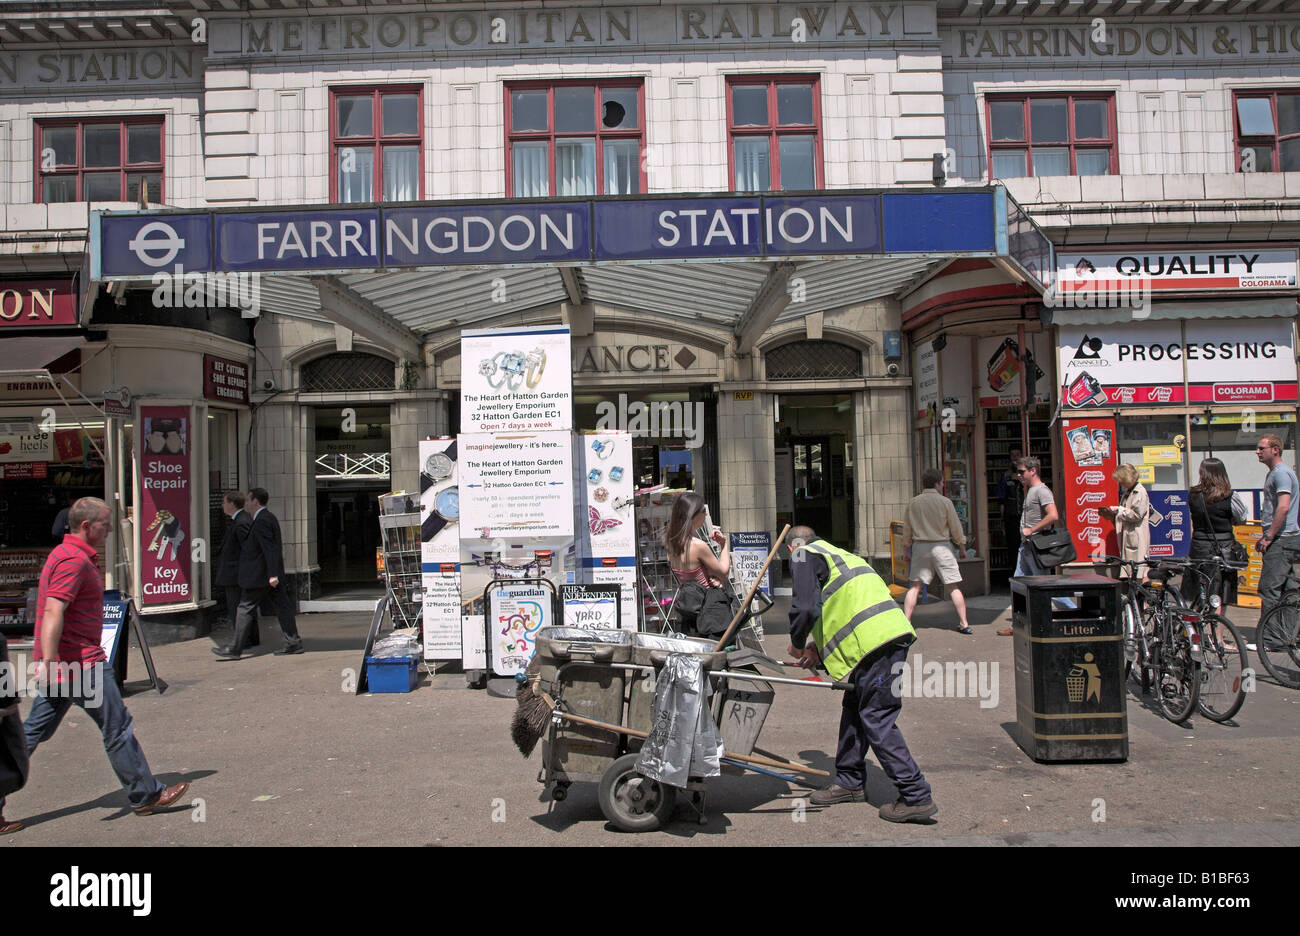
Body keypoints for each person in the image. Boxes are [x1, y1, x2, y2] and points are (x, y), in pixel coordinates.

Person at [0, 497, 189, 834]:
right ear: (86, 526)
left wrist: (48, 662)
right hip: (81, 665)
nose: (111, 529)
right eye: (105, 523)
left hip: (65, 667)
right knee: (117, 727)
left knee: (30, 733)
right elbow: (55, 610)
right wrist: (47, 660)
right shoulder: (73, 561)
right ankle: (145, 795)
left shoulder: (63, 555)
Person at [785, 525, 937, 824]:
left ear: (793, 547)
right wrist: (818, 650)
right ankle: (849, 781)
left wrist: (797, 644)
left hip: (875, 645)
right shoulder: (844, 556)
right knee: (855, 708)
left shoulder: (803, 553)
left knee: (877, 716)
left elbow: (805, 608)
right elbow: (845, 609)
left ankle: (916, 795)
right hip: (885, 639)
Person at [214, 487, 303, 659]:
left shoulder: (262, 520)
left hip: (261, 577)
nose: (246, 503)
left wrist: (272, 574)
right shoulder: (265, 518)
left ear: (255, 501)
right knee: (282, 607)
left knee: (244, 608)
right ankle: (293, 642)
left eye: (248, 500)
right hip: (266, 576)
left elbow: (269, 549)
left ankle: (235, 648)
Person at [902, 468, 972, 634]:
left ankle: (906, 623)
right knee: (953, 586)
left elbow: (907, 529)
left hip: (920, 546)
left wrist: (906, 549)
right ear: (937, 483)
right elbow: (955, 527)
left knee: (915, 586)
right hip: (942, 547)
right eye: (942, 482)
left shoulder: (914, 502)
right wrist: (962, 547)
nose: (943, 485)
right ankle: (964, 623)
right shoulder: (945, 502)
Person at [1002, 456, 1060, 635]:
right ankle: (1017, 625)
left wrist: (1032, 529)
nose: (1019, 475)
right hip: (1026, 546)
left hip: (1036, 546)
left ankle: (1073, 614)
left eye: (1022, 471)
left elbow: (1053, 515)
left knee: (1044, 586)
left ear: (1033, 471)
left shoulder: (1041, 491)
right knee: (1019, 584)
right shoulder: (1032, 490)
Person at [663, 492, 731, 637]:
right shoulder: (698, 546)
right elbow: (724, 572)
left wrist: (712, 575)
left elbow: (686, 579)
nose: (706, 514)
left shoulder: (670, 543)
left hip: (688, 611)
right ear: (693, 514)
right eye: (703, 510)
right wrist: (724, 545)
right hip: (709, 613)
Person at [1182, 458, 1247, 608]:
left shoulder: (1193, 494)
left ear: (1202, 473)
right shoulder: (1230, 496)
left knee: (1197, 588)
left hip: (1199, 546)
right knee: (1220, 591)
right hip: (1224, 547)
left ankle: (1194, 626)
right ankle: (1217, 630)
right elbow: (1242, 518)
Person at [1254, 434, 1300, 626]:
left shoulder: (1281, 473)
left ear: (1275, 450)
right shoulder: (1276, 472)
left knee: (1269, 589)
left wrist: (1269, 536)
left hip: (1281, 539)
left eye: (1261, 448)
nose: (1257, 452)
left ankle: (1272, 638)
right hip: (1285, 538)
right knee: (1289, 589)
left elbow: (1283, 507)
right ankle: (1290, 634)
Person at [215, 491, 257, 648]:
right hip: (235, 573)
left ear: (232, 504)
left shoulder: (241, 522)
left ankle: (244, 641)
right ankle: (249, 638)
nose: (222, 506)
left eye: (224, 502)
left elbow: (248, 548)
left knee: (237, 608)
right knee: (242, 607)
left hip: (236, 574)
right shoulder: (238, 520)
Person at [1101, 464, 1151, 580]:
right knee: (1131, 570)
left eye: (1121, 481)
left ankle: (1142, 596)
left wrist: (1119, 511)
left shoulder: (1139, 493)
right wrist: (1113, 515)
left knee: (1139, 571)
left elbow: (1137, 515)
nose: (1120, 484)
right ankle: (1135, 595)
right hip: (1128, 535)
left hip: (1136, 536)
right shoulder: (1129, 492)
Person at [995, 447, 1025, 557]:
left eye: (1018, 454)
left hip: (1026, 516)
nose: (1015, 457)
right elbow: (1001, 500)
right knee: (1013, 547)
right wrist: (1002, 521)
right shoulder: (1006, 476)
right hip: (1011, 517)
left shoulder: (1028, 475)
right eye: (1013, 455)